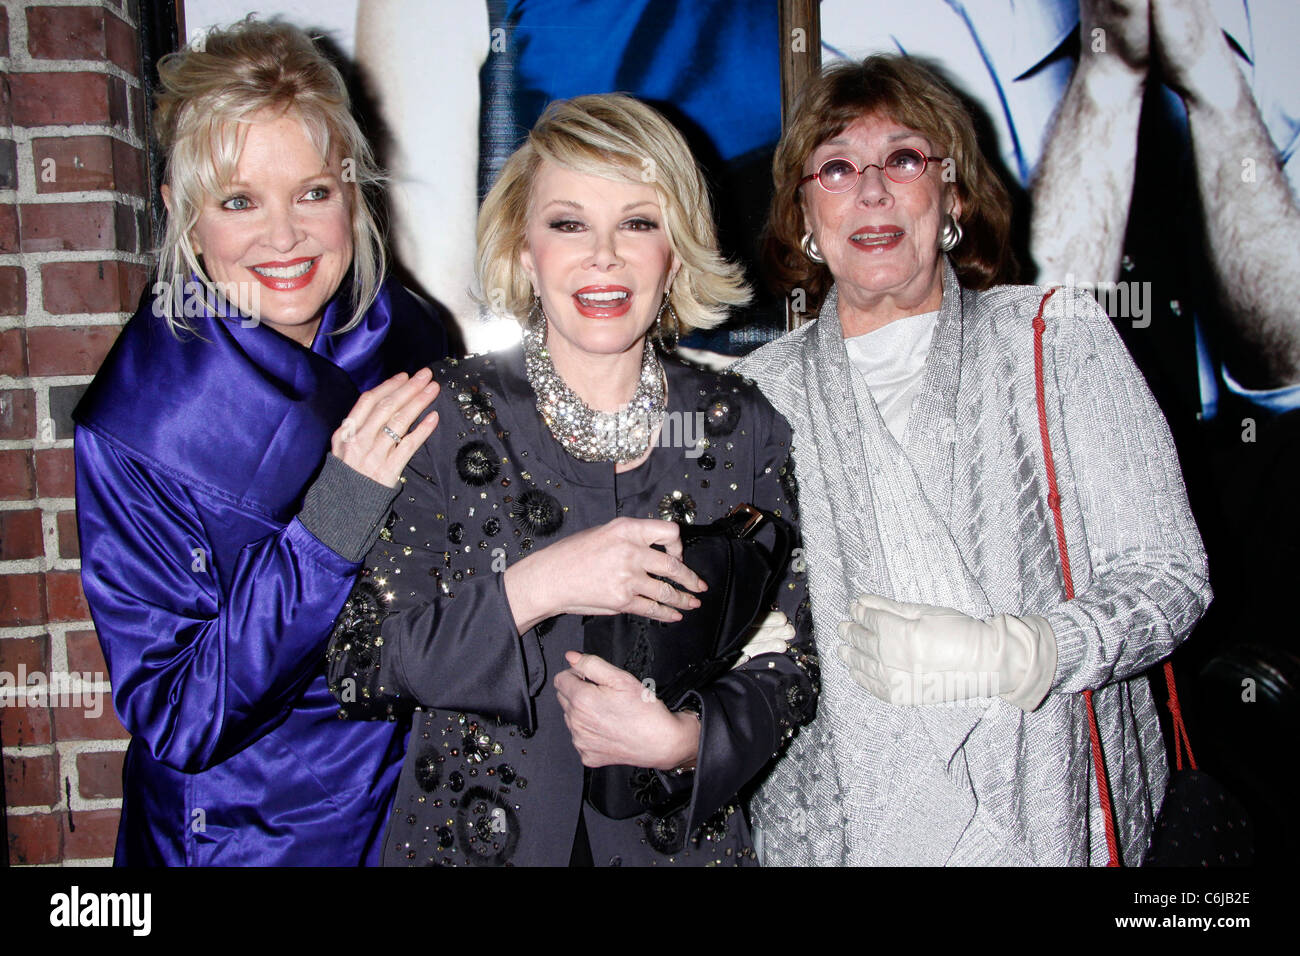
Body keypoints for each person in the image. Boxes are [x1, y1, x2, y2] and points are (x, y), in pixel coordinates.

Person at [734, 55, 1211, 865]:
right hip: (845, 833)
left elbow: (1170, 579)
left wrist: (1024, 650)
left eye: (905, 159)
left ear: (951, 198)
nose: (874, 190)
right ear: (806, 218)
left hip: (1046, 812)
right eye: (838, 167)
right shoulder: (750, 397)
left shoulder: (1056, 339)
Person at [325, 93, 817, 866]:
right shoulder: (446, 417)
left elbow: (793, 666)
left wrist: (686, 740)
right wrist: (542, 584)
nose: (604, 255)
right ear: (525, 248)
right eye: (568, 222)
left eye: (638, 222)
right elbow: (362, 663)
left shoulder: (740, 425)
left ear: (676, 250)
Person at [73, 20, 448, 865]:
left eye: (314, 192)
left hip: (418, 813)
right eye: (240, 200)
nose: (285, 238)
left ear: (354, 193)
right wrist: (333, 521)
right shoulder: (141, 422)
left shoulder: (413, 336)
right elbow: (176, 712)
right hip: (251, 837)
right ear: (181, 210)